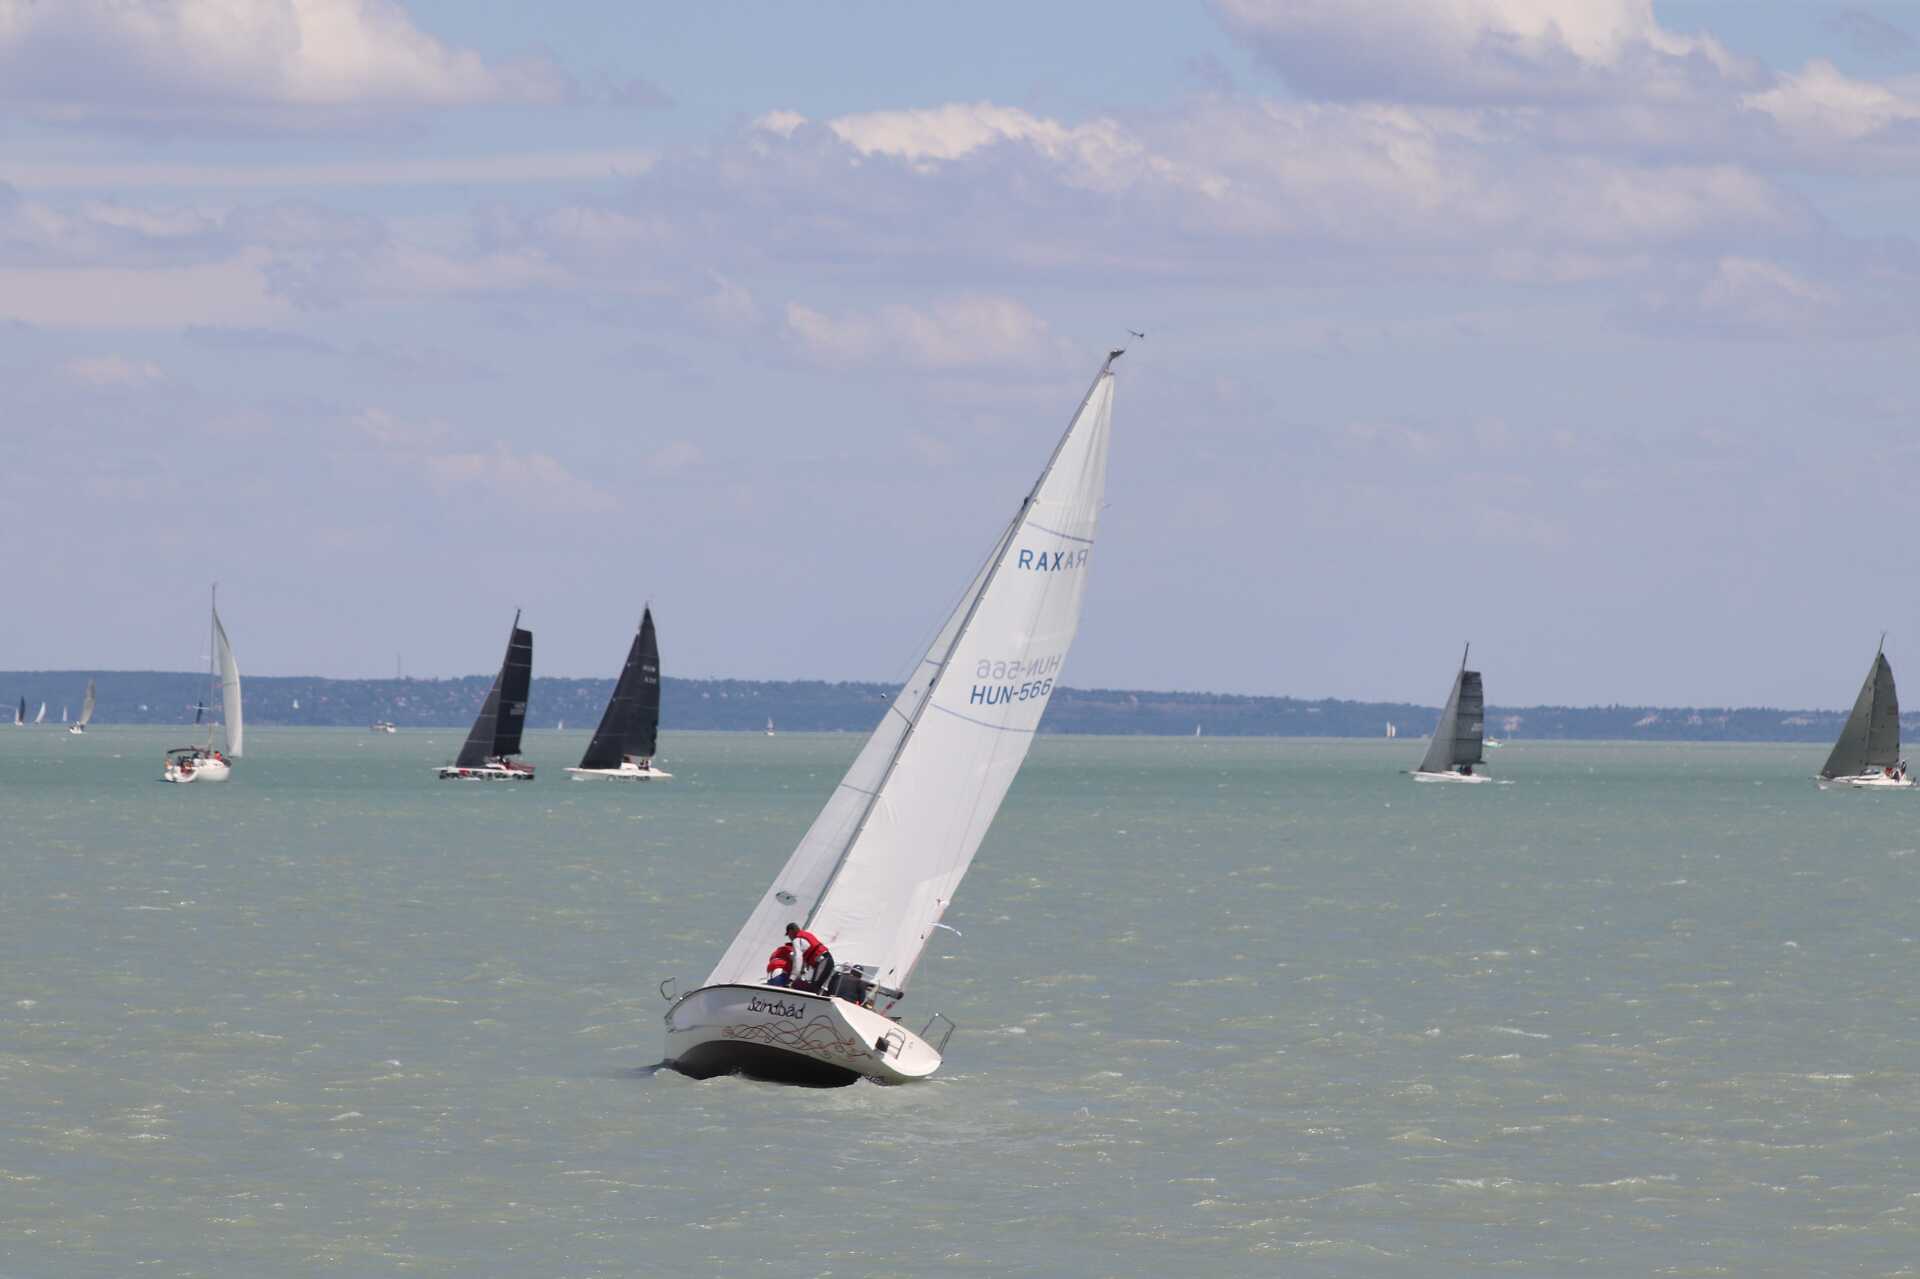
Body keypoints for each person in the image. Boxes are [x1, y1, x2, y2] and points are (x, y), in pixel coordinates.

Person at [785, 922, 833, 993]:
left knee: (814, 988)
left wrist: (792, 978)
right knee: (817, 988)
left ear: (791, 931)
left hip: (823, 962)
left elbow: (798, 958)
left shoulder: (797, 940)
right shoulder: (806, 935)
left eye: (788, 934)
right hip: (828, 960)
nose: (789, 937)